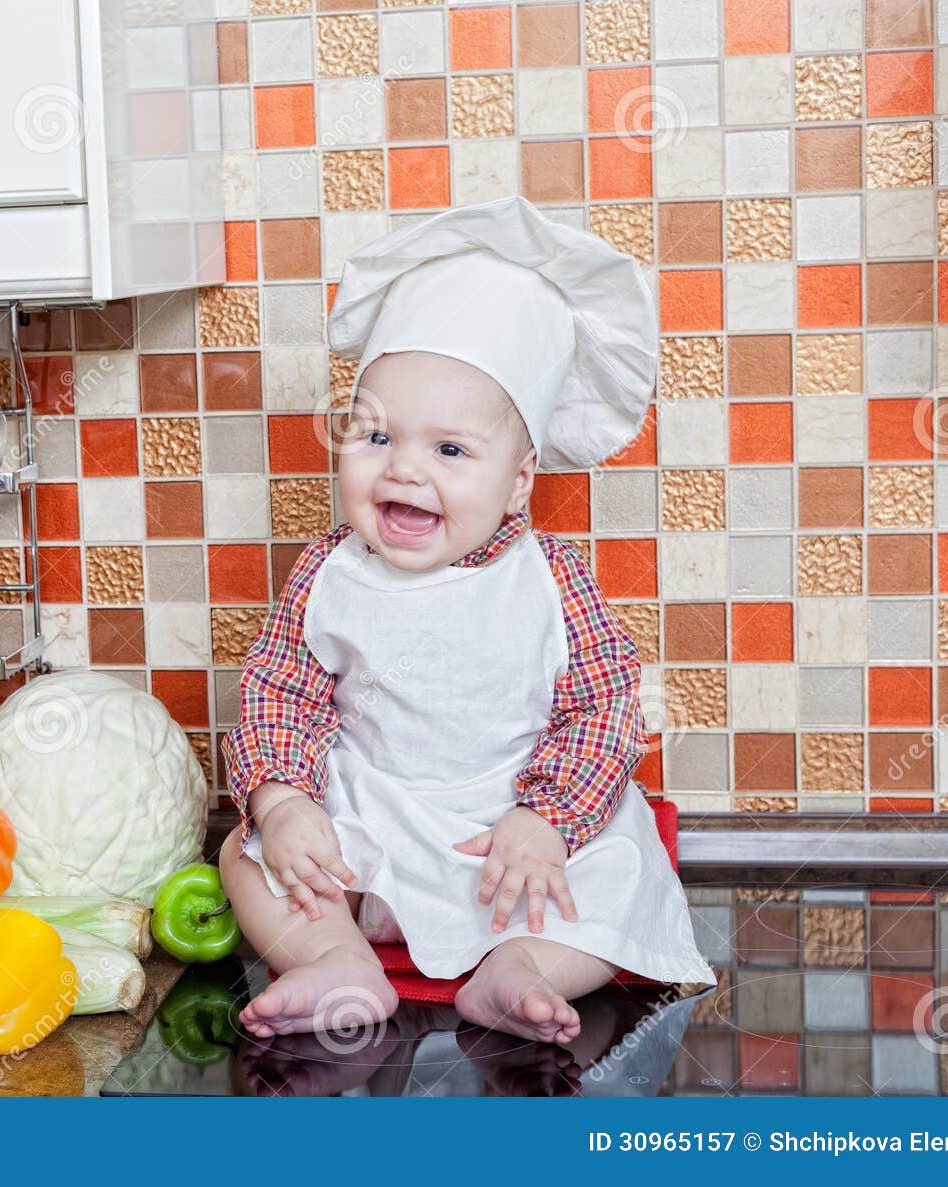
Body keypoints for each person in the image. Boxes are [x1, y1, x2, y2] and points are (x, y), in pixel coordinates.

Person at [219, 195, 716, 1046]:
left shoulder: (551, 579)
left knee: (623, 865)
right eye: (375, 436)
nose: (406, 469)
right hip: (373, 828)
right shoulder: (328, 573)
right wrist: (285, 800)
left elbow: (603, 709)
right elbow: (280, 693)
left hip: (512, 843)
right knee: (246, 855)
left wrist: (548, 818)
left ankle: (520, 967)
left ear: (519, 479)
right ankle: (334, 954)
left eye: (450, 451)